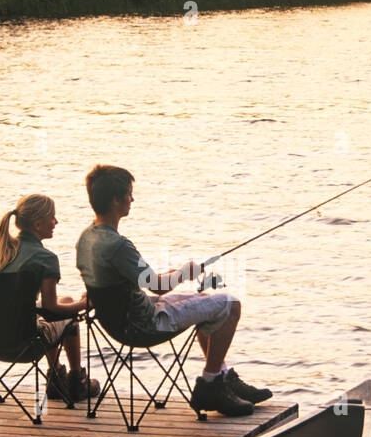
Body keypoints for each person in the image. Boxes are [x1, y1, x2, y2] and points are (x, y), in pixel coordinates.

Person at [76, 165, 271, 418]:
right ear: (115, 200)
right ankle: (211, 385)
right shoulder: (118, 245)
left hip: (117, 321)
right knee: (230, 304)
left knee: (204, 300)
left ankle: (222, 376)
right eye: (129, 194)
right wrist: (184, 272)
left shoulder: (86, 238)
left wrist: (173, 271)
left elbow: (135, 280)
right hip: (144, 324)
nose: (132, 199)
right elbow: (158, 286)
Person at [0, 193, 99, 404]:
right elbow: (52, 308)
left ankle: (57, 376)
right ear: (37, 223)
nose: (56, 222)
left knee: (65, 300)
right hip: (25, 342)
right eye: (52, 218)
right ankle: (76, 382)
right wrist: (83, 304)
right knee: (69, 315)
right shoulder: (45, 259)